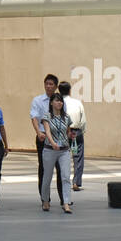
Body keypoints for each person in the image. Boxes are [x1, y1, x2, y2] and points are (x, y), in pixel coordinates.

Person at [30, 73, 64, 204]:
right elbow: (34, 117)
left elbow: (64, 118)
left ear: (56, 86)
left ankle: (64, 198)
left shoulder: (61, 101)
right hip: (43, 137)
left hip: (58, 138)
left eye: (51, 84)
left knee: (61, 168)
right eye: (47, 84)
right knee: (44, 169)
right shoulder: (37, 100)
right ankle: (45, 199)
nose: (48, 86)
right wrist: (38, 132)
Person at [39, 93, 73, 213]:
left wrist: (71, 135)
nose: (59, 103)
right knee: (47, 176)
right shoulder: (47, 116)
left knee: (65, 176)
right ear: (51, 102)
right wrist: (53, 143)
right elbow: (47, 131)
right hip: (50, 149)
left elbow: (67, 132)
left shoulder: (67, 117)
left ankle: (66, 202)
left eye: (61, 101)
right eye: (57, 101)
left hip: (64, 150)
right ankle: (45, 200)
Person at [59, 80, 86, 190]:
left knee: (62, 157)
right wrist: (81, 132)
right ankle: (76, 182)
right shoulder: (77, 102)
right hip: (76, 132)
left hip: (63, 132)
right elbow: (83, 120)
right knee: (77, 157)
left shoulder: (58, 103)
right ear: (70, 91)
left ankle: (63, 181)